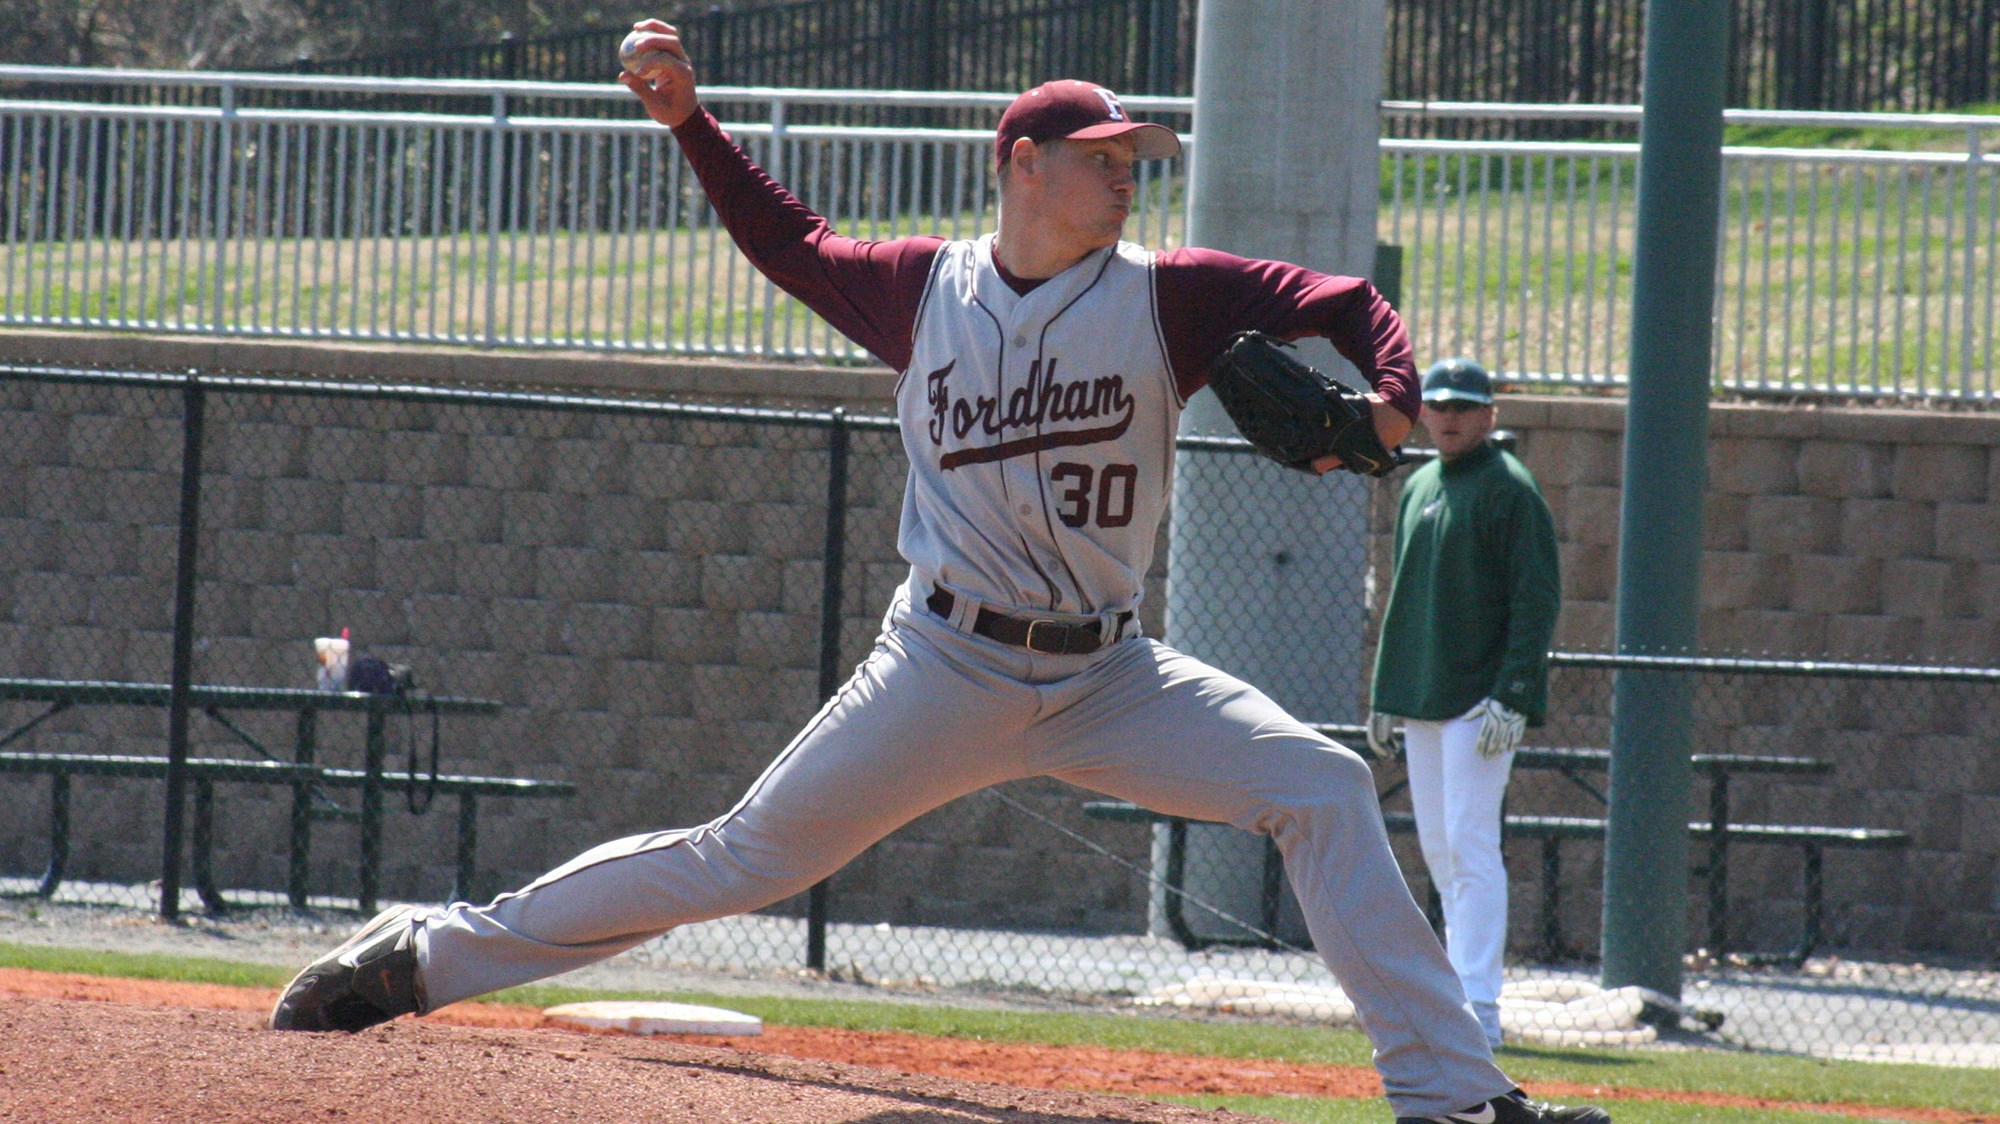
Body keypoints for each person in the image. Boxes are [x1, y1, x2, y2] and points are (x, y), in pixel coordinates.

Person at [269, 21, 1607, 1124]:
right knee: (740, 858)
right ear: (1022, 165)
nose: (1127, 175)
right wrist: (689, 125)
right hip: (943, 664)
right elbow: (789, 239)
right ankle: (422, 955)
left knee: (1316, 787)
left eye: (1134, 157)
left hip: (1109, 673)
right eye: (1101, 157)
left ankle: (1452, 1101)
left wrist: (1390, 398)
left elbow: (1341, 300)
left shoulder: (1169, 293)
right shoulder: (922, 290)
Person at [1365, 358, 1562, 1050]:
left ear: (1489, 416)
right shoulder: (1418, 482)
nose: (1448, 416)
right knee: (1441, 851)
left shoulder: (1511, 490)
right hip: (1422, 695)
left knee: (1473, 847)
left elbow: (1535, 601)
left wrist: (1513, 693)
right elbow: (1404, 598)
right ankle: (1456, 994)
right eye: (1439, 404)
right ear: (1422, 412)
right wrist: (1386, 693)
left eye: (1463, 406)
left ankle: (1480, 1005)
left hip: (1479, 701)